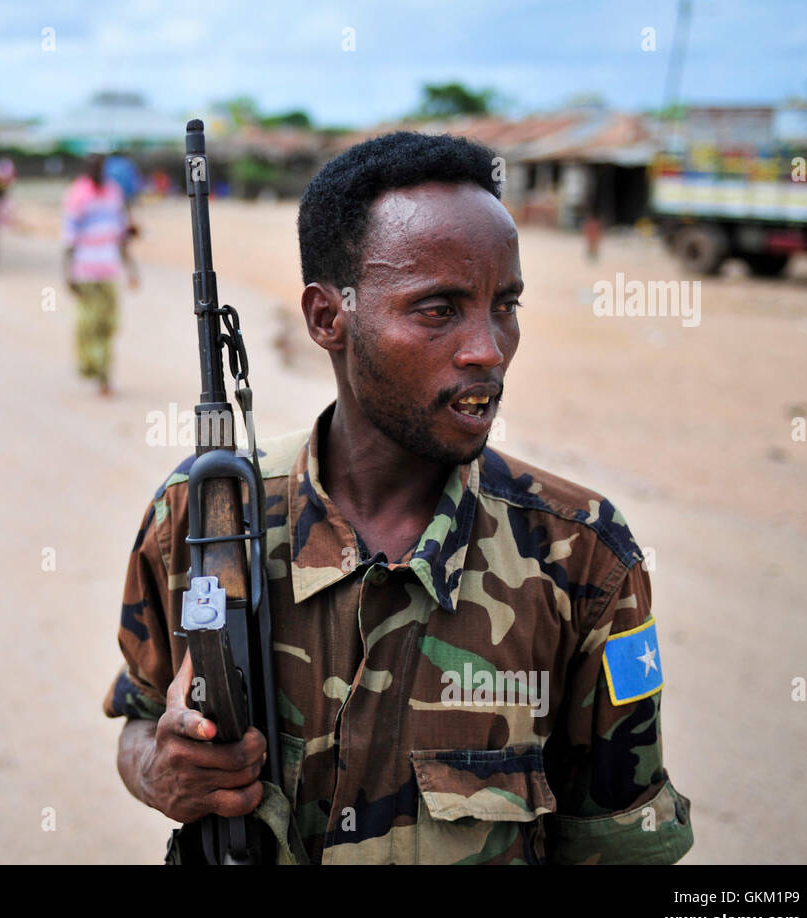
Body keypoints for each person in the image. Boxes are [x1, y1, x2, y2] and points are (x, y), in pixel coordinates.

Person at [103, 132, 694, 865]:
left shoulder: (585, 555)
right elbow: (137, 717)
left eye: (504, 305)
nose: (489, 347)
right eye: (439, 309)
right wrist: (161, 770)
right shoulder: (206, 518)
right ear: (327, 318)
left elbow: (620, 842)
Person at [61, 153, 138, 396]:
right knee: (88, 323)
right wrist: (67, 273)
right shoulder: (77, 194)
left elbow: (121, 236)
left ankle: (104, 374)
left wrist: (132, 269)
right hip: (85, 270)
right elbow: (69, 238)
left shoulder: (114, 193)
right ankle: (90, 365)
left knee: (109, 324)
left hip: (109, 269)